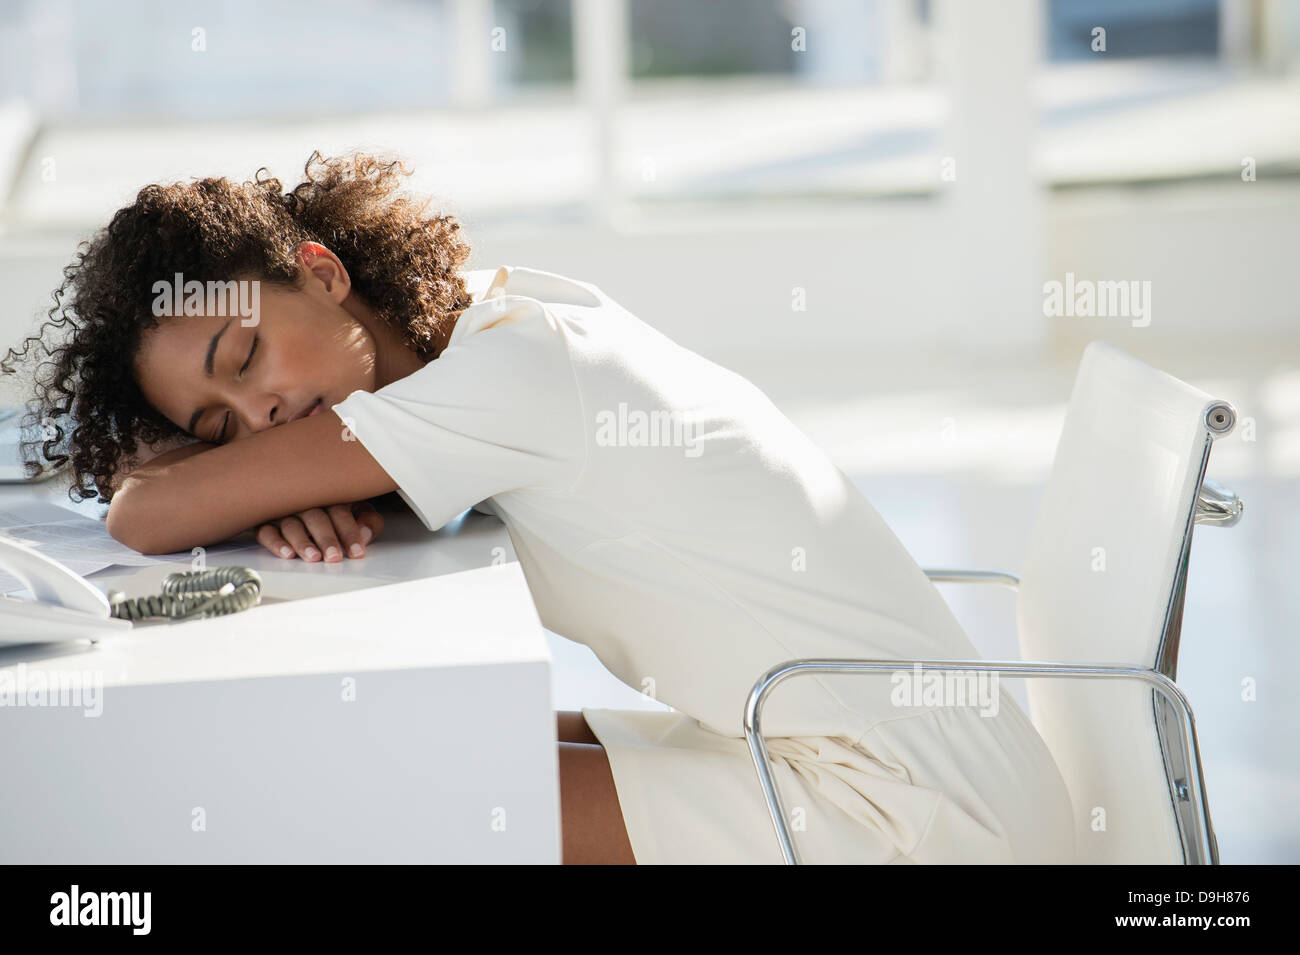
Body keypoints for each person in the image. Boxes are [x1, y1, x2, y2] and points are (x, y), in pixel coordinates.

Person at [1, 151, 1076, 865]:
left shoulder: (496, 384)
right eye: (224, 426)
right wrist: (286, 482)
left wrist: (231, 482)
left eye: (242, 355)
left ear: (319, 271)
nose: (265, 409)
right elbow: (186, 498)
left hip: (925, 816)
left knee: (406, 795)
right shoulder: (493, 325)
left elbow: (144, 519)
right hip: (865, 747)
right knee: (427, 740)